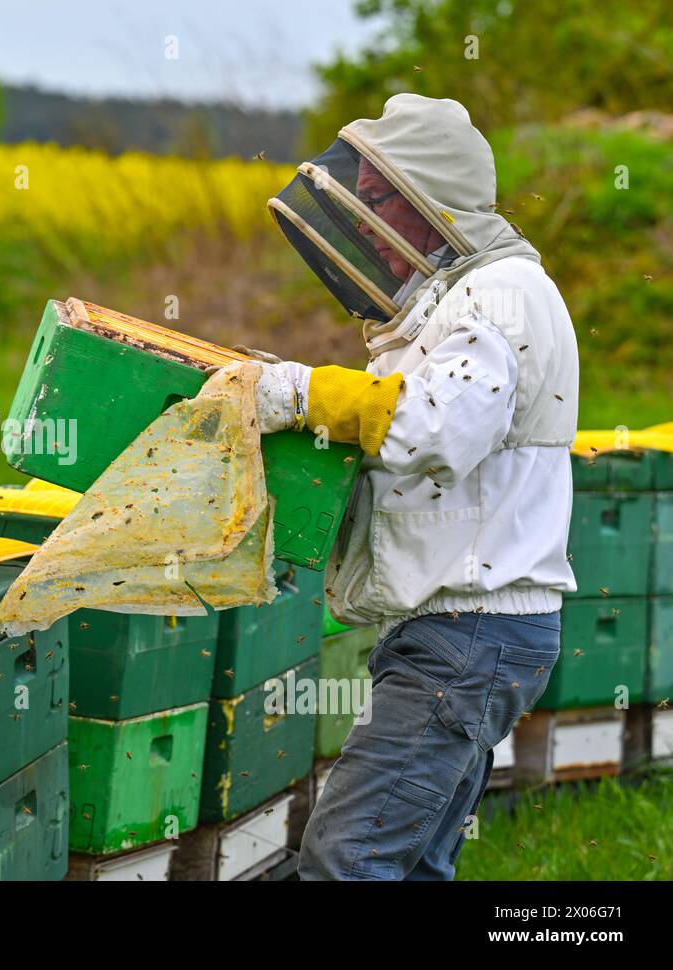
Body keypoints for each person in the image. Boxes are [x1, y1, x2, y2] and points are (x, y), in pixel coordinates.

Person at [243, 94, 580, 879]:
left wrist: (301, 393)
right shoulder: (463, 296)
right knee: (415, 864)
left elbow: (434, 430)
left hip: (469, 634)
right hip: (463, 630)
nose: (364, 218)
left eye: (380, 196)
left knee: (345, 859)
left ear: (429, 201)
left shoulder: (498, 294)